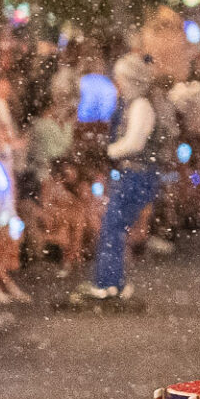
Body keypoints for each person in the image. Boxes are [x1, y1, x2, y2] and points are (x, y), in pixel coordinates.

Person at [74, 54, 166, 305]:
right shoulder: (132, 104)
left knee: (112, 226)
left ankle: (108, 283)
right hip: (134, 174)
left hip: (137, 174)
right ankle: (111, 281)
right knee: (114, 227)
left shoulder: (140, 105)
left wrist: (108, 151)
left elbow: (135, 143)